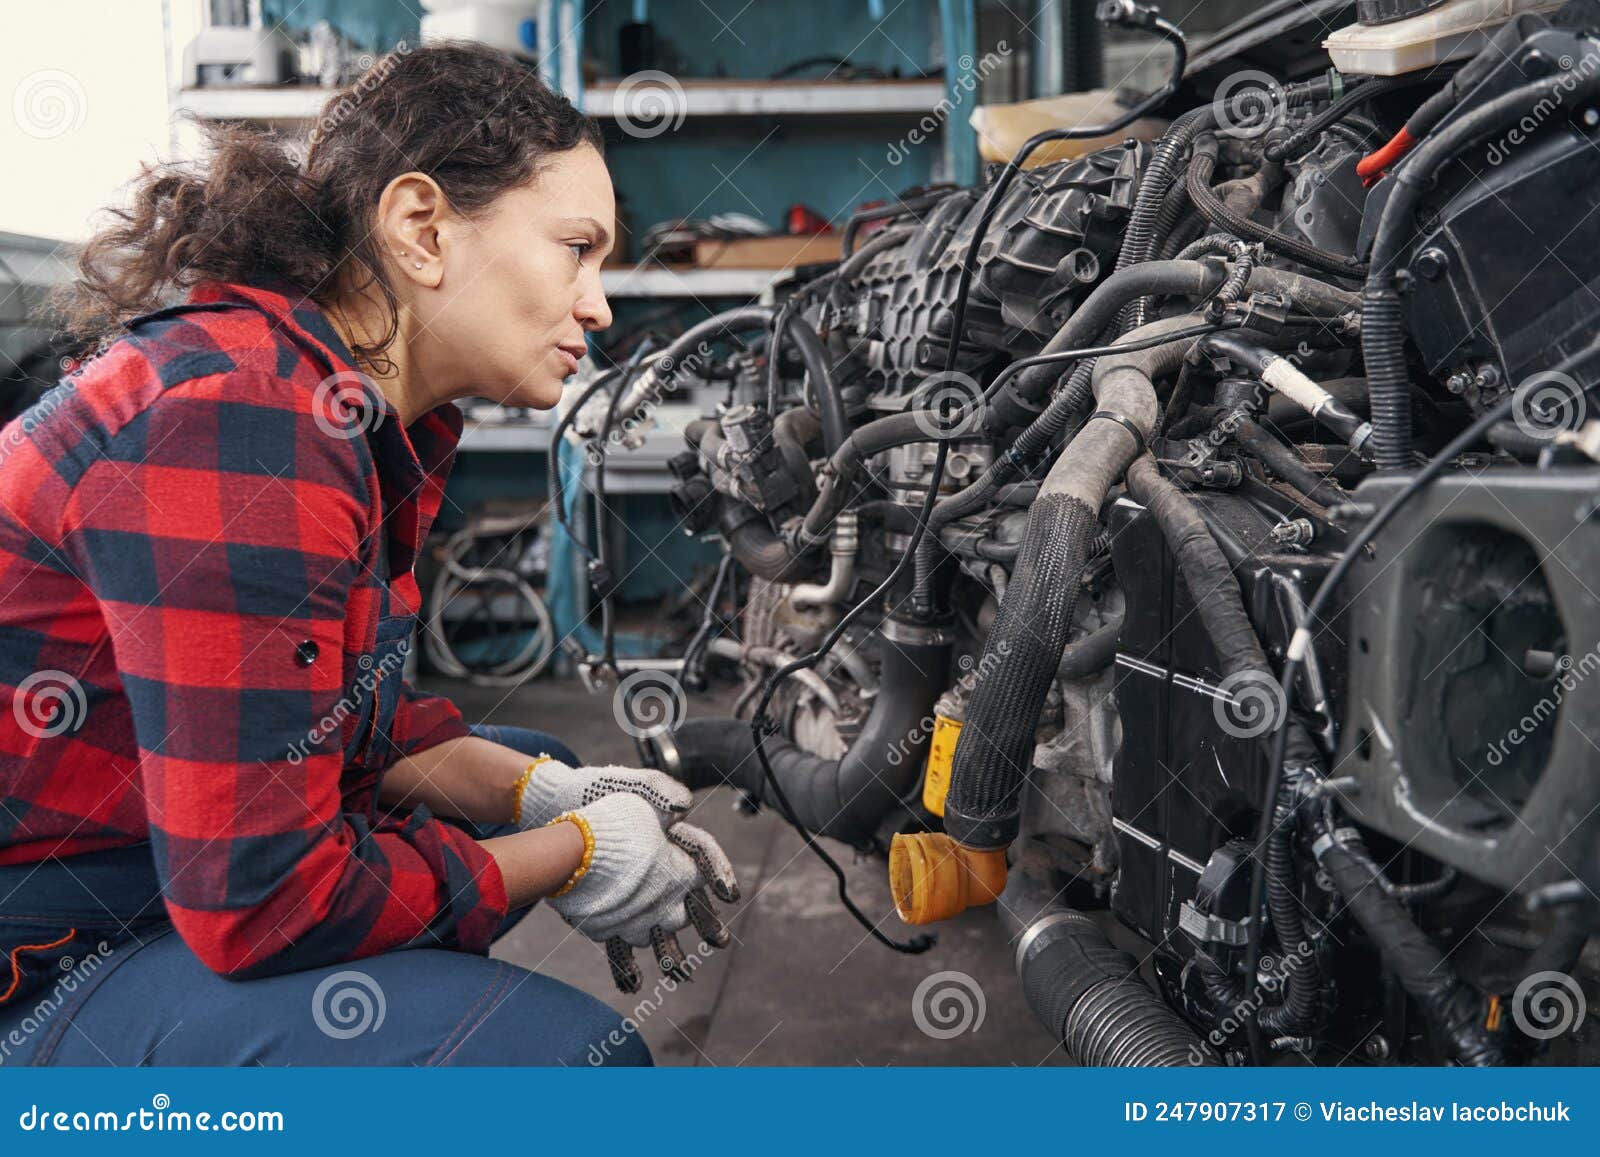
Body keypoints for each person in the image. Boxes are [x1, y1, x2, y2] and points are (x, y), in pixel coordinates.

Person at [0, 41, 737, 1067]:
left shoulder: (325, 398)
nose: (599, 304)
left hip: (135, 859)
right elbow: (259, 898)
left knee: (548, 762)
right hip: (40, 954)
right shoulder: (240, 421)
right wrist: (576, 849)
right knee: (573, 1066)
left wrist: (549, 800)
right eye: (577, 247)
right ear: (420, 228)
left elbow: (344, 718)